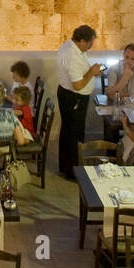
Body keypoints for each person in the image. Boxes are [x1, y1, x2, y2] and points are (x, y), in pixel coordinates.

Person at [55, 25, 106, 179]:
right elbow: (77, 85)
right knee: (74, 134)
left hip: (68, 95)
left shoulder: (72, 46)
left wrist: (92, 71)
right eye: (90, 43)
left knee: (68, 132)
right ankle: (73, 172)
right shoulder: (71, 55)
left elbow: (78, 74)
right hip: (74, 98)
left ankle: (65, 166)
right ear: (82, 41)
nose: (91, 46)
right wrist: (92, 72)